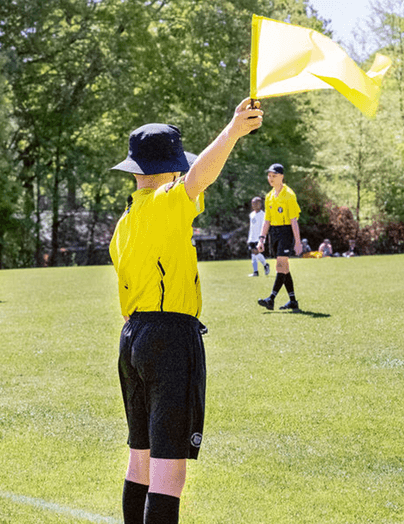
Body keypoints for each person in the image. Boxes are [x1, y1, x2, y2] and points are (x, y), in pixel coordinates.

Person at [109, 98, 263, 524]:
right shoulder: (166, 202)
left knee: (139, 458)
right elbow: (199, 178)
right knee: (168, 471)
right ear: (170, 169)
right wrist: (232, 131)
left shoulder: (125, 221)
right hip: (170, 338)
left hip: (132, 338)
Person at [257, 163, 302, 311]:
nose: (271, 178)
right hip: (274, 233)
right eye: (269, 175)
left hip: (286, 232)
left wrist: (298, 242)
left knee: (280, 266)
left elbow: (293, 220)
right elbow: (267, 220)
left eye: (274, 176)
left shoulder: (289, 194)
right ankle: (293, 301)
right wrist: (261, 238)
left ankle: (271, 299)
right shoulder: (269, 196)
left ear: (281, 177)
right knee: (285, 268)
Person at [246, 196, 270, 277]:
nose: (254, 205)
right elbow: (251, 227)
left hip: (259, 237)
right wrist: (249, 238)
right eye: (253, 203)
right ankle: (256, 272)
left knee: (255, 252)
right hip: (252, 237)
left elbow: (265, 226)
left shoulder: (263, 214)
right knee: (253, 255)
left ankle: (265, 265)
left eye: (256, 203)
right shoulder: (251, 214)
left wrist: (262, 238)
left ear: (260, 204)